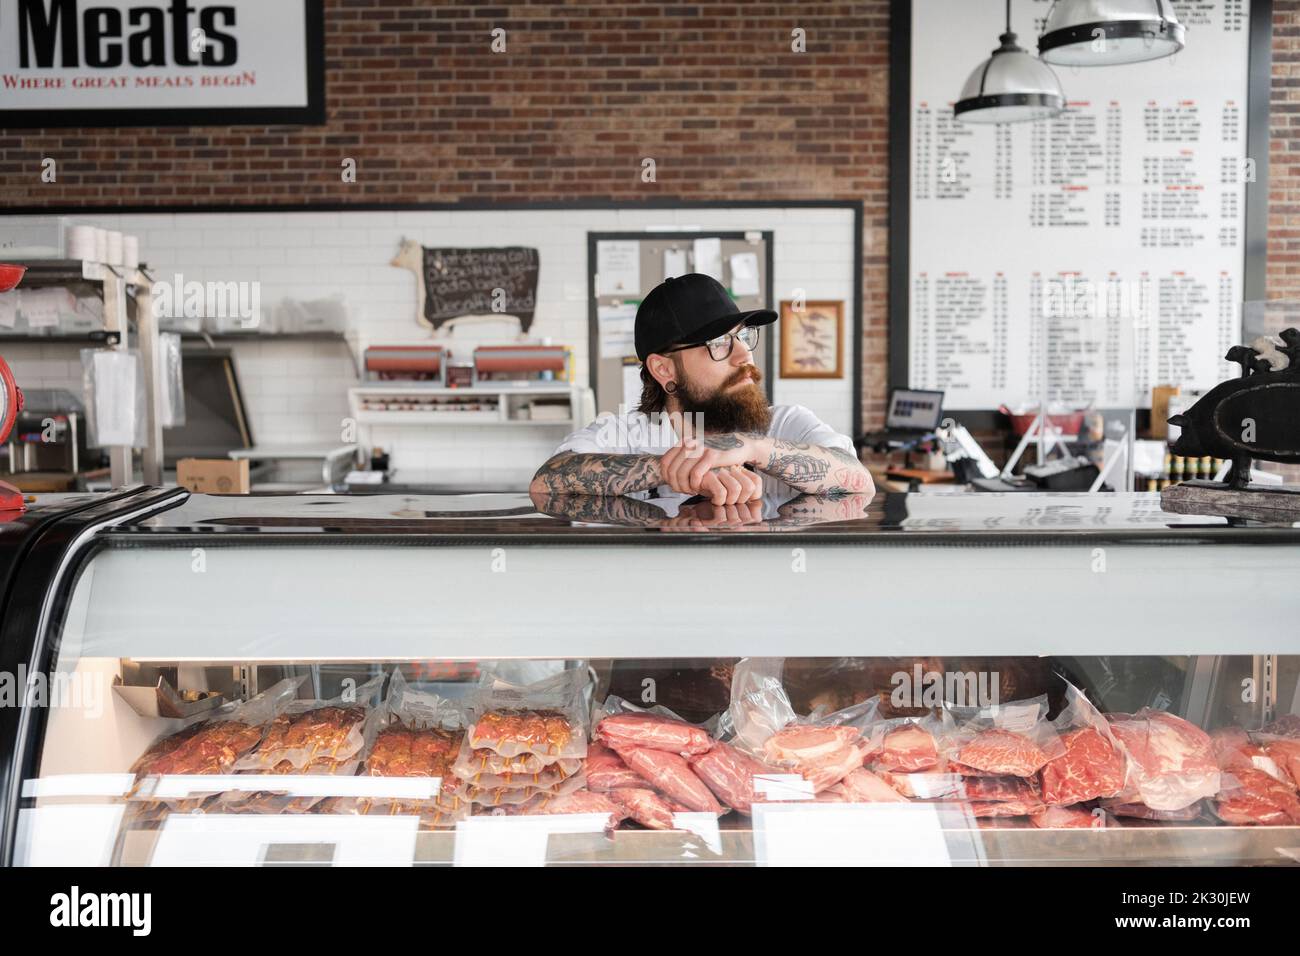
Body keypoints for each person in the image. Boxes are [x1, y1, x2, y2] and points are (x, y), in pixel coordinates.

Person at [530, 273, 873, 505]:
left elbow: (859, 480)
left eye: (742, 335)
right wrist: (672, 468)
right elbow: (546, 482)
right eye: (719, 342)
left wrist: (751, 448)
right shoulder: (626, 433)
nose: (743, 354)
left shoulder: (785, 424)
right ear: (664, 368)